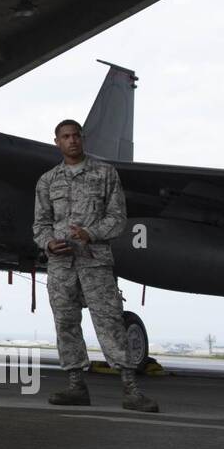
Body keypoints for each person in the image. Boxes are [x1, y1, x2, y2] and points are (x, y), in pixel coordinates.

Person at [33, 119, 158, 412]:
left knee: (109, 320)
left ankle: (131, 390)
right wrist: (49, 243)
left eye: (76, 136)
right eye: (65, 137)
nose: (72, 141)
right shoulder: (48, 181)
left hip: (95, 262)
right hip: (61, 264)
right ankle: (76, 386)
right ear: (57, 142)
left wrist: (92, 234)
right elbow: (40, 225)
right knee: (65, 323)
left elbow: (117, 217)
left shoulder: (105, 174)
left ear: (82, 139)